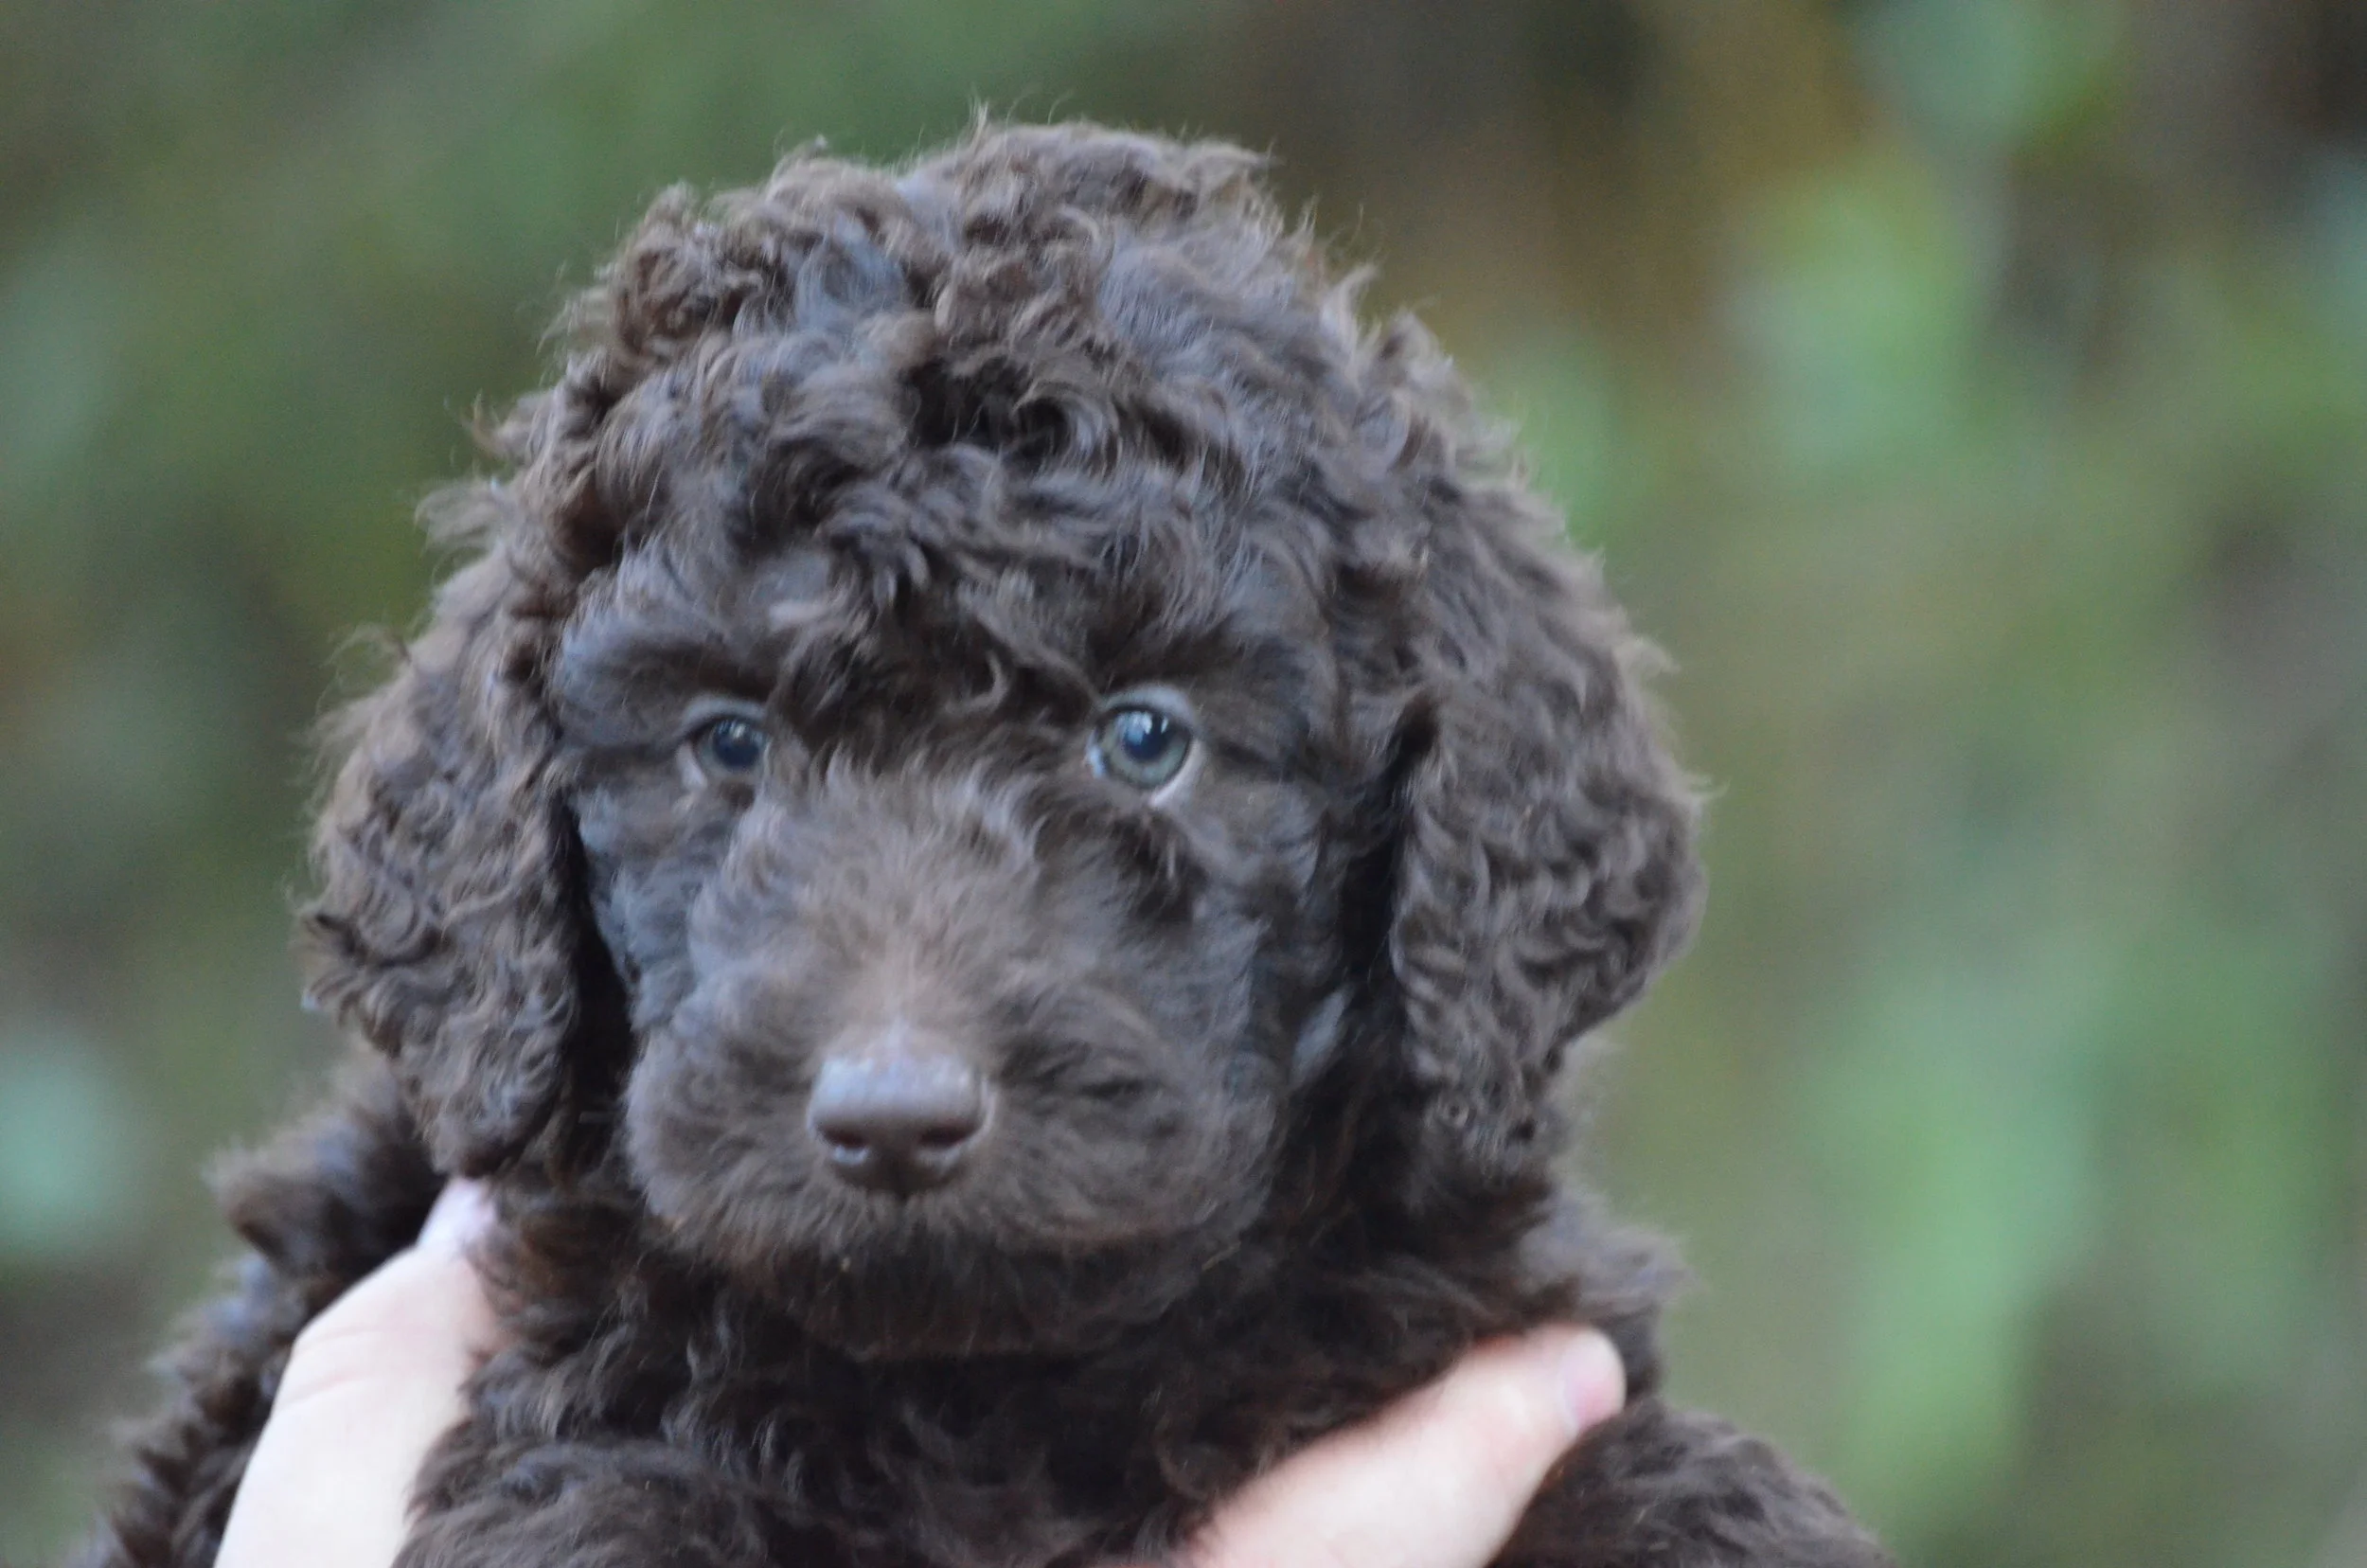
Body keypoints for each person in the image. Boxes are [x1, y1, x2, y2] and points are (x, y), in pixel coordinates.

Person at [216, 1183, 1629, 1568]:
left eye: (1144, 741)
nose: (896, 1067)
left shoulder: (1444, 1330)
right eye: (732, 746)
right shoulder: (415, 1358)